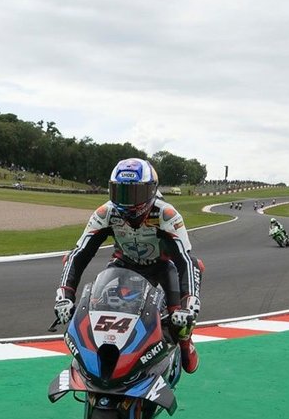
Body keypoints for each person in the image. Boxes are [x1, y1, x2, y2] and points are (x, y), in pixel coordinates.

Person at [54, 157, 203, 374]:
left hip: (162, 266)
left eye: (134, 193)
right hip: (123, 264)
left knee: (178, 318)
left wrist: (189, 305)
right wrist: (64, 296)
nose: (126, 201)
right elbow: (79, 254)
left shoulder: (166, 214)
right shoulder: (106, 213)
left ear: (152, 190)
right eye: (120, 192)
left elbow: (185, 261)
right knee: (97, 304)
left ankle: (186, 341)